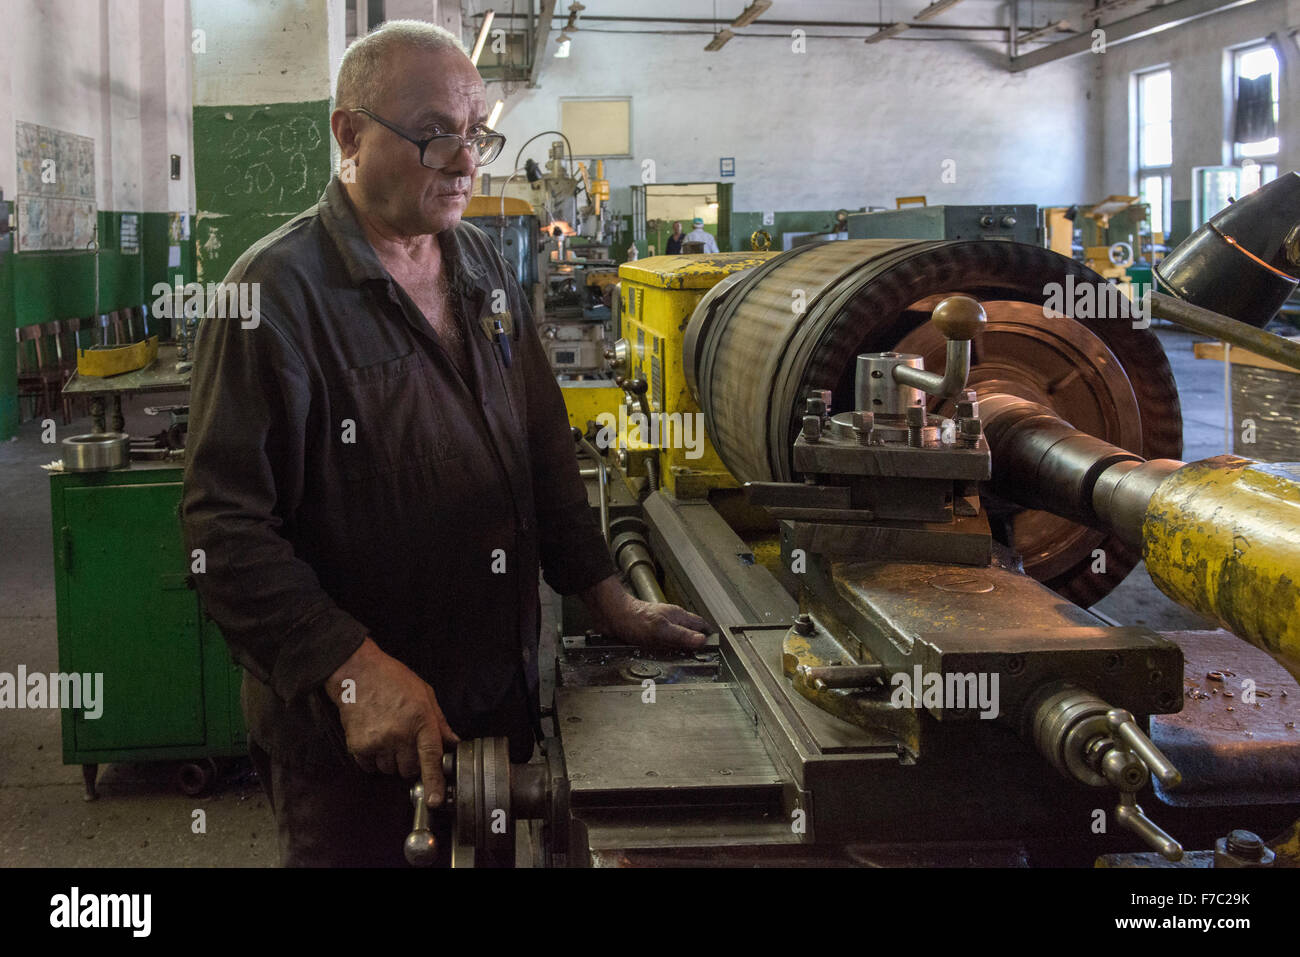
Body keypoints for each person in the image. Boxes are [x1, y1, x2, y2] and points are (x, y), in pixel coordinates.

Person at [181, 19, 708, 867]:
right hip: (356, 750)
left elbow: (541, 446)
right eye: (433, 137)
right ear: (347, 134)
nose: (465, 162)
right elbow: (223, 534)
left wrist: (604, 594)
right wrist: (352, 670)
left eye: (475, 136)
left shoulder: (482, 264)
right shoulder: (272, 297)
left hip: (494, 712)